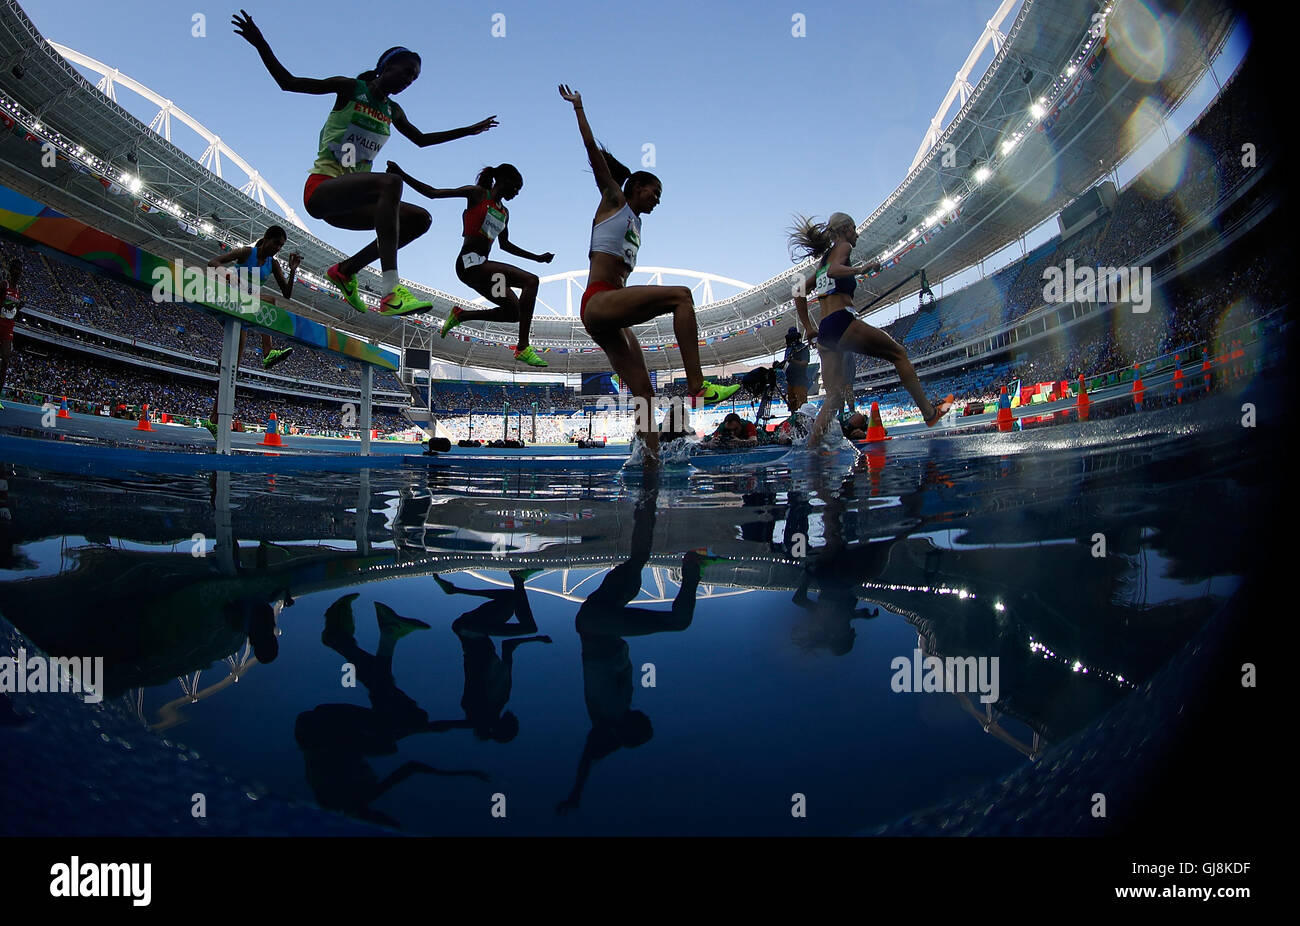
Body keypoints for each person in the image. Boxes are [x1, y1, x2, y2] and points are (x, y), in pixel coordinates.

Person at [233, 11, 497, 316]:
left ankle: (346, 270)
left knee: (420, 220)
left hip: (352, 205)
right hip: (322, 190)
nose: (409, 80)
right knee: (391, 182)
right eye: (407, 71)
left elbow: (421, 140)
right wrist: (259, 42)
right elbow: (288, 82)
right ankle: (390, 290)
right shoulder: (348, 88)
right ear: (386, 66)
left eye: (414, 78)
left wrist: (469, 130)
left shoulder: (393, 110)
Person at [558, 84, 739, 461]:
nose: (657, 200)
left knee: (644, 392)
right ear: (636, 187)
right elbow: (593, 155)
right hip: (598, 301)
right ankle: (696, 385)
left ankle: (648, 462)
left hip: (609, 315)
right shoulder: (614, 200)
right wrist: (578, 108)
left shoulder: (636, 224)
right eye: (654, 192)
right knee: (682, 296)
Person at [787, 213, 953, 446]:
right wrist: (861, 269)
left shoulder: (822, 262)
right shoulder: (842, 247)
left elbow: (798, 291)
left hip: (825, 332)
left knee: (834, 397)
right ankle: (930, 414)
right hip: (841, 321)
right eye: (854, 228)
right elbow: (836, 270)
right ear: (845, 229)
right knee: (898, 353)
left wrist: (809, 328)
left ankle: (811, 449)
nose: (857, 233)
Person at [387, 161, 553, 366]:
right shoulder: (477, 194)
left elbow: (506, 245)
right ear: (504, 180)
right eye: (516, 187)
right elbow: (433, 192)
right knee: (531, 281)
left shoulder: (504, 213)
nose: (517, 193)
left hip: (484, 268)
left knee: (514, 313)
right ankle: (523, 348)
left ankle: (461, 315)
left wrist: (537, 257)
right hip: (468, 264)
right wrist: (401, 173)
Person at [206, 225, 300, 425]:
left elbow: (287, 293)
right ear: (266, 239)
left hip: (246, 308)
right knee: (269, 302)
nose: (278, 249)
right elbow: (213, 262)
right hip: (230, 300)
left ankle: (214, 419)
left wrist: (292, 271)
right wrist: (233, 279)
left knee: (232, 368)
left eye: (281, 246)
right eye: (276, 243)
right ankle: (267, 352)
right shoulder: (247, 252)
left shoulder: (272, 264)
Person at [0, 257, 24, 409]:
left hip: (9, 326)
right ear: (10, 270)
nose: (17, 273)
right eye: (15, 270)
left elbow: (13, 311)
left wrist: (18, 307)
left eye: (19, 271)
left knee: (5, 360)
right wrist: (8, 304)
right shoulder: (4, 285)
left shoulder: (18, 290)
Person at [774, 326, 811, 412]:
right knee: (792, 406)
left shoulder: (803, 347)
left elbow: (805, 363)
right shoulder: (788, 349)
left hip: (800, 381)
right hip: (790, 381)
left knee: (802, 406)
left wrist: (793, 361)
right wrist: (779, 365)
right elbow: (786, 364)